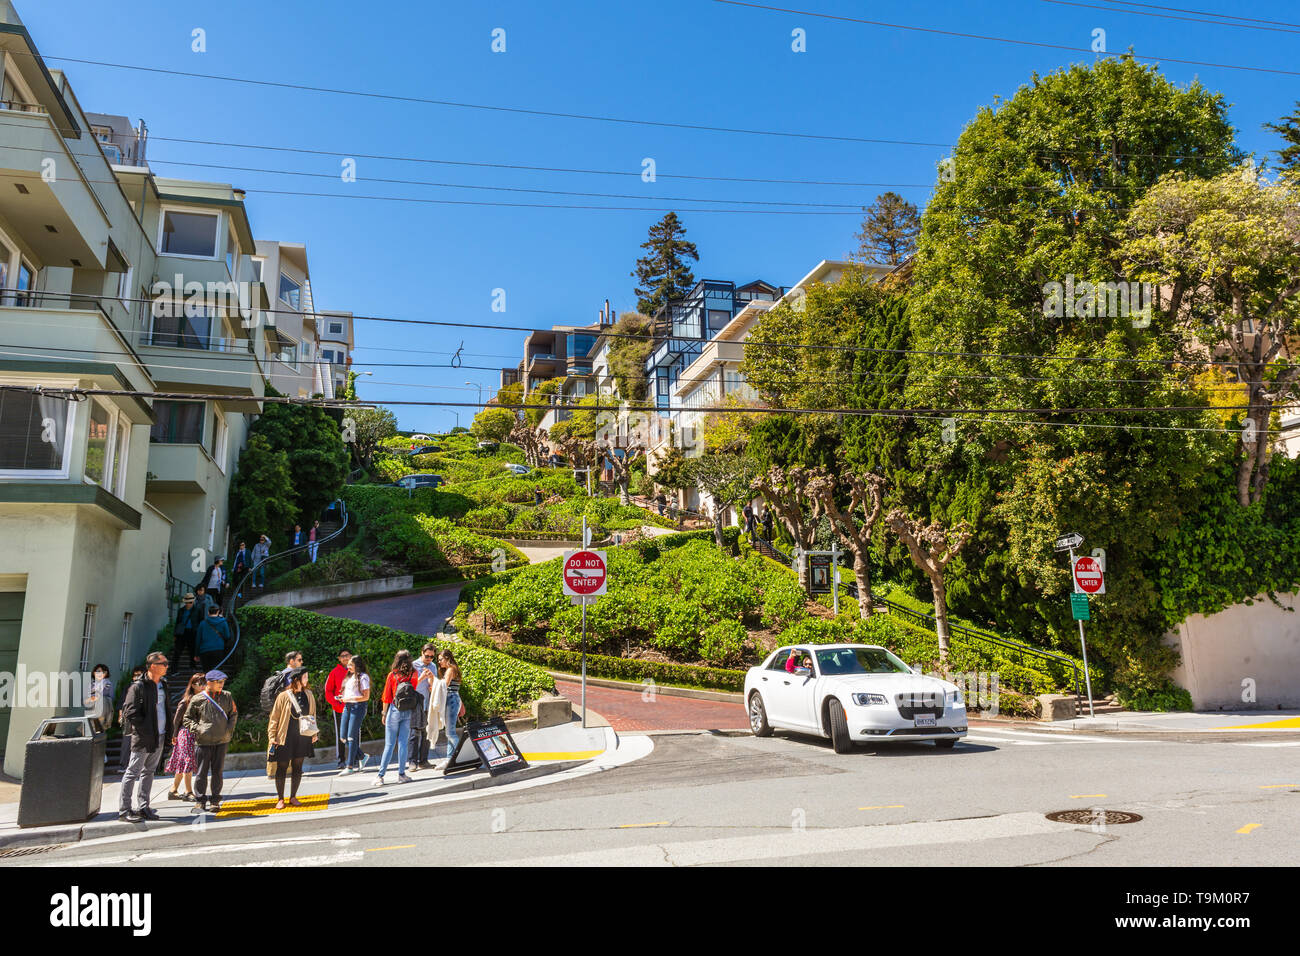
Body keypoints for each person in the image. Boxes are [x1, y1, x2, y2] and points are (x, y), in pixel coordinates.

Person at [118, 652, 171, 822]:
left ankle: (143, 807)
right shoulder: (138, 686)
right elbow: (130, 712)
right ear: (153, 666)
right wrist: (145, 729)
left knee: (149, 771)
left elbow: (166, 709)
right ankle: (124, 810)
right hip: (143, 737)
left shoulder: (164, 684)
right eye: (164, 663)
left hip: (160, 735)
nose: (167, 666)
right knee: (132, 772)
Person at [186, 670, 238, 813]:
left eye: (223, 682)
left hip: (222, 740)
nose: (221, 684)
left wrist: (228, 730)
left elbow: (233, 714)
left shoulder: (227, 696)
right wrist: (198, 729)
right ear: (209, 682)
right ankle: (200, 801)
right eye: (218, 682)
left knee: (218, 772)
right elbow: (187, 718)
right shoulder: (197, 699)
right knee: (201, 773)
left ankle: (215, 801)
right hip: (203, 742)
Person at [267, 667, 319, 810]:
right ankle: (280, 798)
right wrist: (272, 736)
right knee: (282, 767)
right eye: (305, 677)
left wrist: (314, 733)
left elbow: (313, 714)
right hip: (285, 737)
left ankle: (293, 796)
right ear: (296, 679)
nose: (307, 680)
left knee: (298, 767)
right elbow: (274, 718)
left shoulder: (309, 694)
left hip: (302, 737)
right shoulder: (283, 696)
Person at [373, 650, 419, 787]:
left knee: (389, 744)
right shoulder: (414, 674)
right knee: (403, 743)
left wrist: (383, 713)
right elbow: (414, 690)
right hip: (408, 711)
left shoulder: (392, 675)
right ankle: (401, 775)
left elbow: (386, 696)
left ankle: (380, 776)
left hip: (394, 710)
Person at [165, 673, 206, 802]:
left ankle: (173, 790)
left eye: (205, 683)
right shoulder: (186, 701)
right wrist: (174, 735)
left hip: (195, 733)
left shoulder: (204, 699)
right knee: (187, 761)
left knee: (183, 763)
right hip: (186, 733)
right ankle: (188, 791)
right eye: (201, 683)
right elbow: (176, 720)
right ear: (193, 685)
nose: (204, 685)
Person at [336, 655, 370, 774]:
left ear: (357, 665)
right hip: (348, 706)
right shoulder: (349, 677)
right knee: (343, 737)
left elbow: (366, 697)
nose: (348, 666)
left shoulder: (363, 677)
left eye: (351, 664)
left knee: (351, 737)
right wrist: (343, 697)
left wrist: (349, 698)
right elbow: (349, 693)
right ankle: (362, 756)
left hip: (358, 707)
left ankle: (350, 767)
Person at [409, 644, 438, 770]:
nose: (429, 659)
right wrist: (422, 677)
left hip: (428, 702)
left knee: (427, 732)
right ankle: (412, 761)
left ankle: (423, 760)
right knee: (414, 733)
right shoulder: (414, 665)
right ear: (421, 653)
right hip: (416, 702)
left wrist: (431, 680)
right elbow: (410, 685)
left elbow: (434, 686)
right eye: (427, 656)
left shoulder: (433, 666)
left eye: (432, 657)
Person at [434, 649, 463, 764]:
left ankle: (464, 753)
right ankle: (449, 758)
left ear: (447, 658)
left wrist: (432, 681)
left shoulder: (450, 670)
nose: (439, 662)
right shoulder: (451, 669)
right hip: (453, 699)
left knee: (450, 732)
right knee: (449, 731)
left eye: (440, 659)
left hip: (451, 699)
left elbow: (444, 686)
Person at [323, 649, 352, 769]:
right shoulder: (334, 672)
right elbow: (328, 690)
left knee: (354, 733)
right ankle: (341, 760)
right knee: (341, 734)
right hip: (339, 708)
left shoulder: (356, 671)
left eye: (347, 655)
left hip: (354, 707)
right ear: (339, 659)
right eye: (342, 656)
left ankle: (354, 758)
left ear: (351, 657)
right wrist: (335, 703)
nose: (345, 658)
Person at [116, 665, 144, 771]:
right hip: (128, 719)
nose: (137, 677)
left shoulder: (146, 688)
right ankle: (123, 764)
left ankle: (138, 766)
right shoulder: (128, 687)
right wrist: (120, 716)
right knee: (126, 742)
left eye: (139, 675)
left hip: (141, 719)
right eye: (135, 675)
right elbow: (121, 703)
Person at [195, 604, 231, 672]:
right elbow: (227, 636)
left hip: (204, 650)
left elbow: (198, 640)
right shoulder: (223, 622)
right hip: (218, 648)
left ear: (208, 612)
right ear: (218, 612)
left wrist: (196, 654)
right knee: (217, 671)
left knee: (206, 672)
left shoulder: (202, 623)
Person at [84, 664, 113, 734]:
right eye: (96, 671)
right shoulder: (92, 684)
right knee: (88, 728)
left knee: (98, 729)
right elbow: (86, 699)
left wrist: (92, 698)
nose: (98, 673)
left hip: (103, 707)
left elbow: (102, 694)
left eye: (101, 672)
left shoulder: (107, 683)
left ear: (105, 673)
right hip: (92, 708)